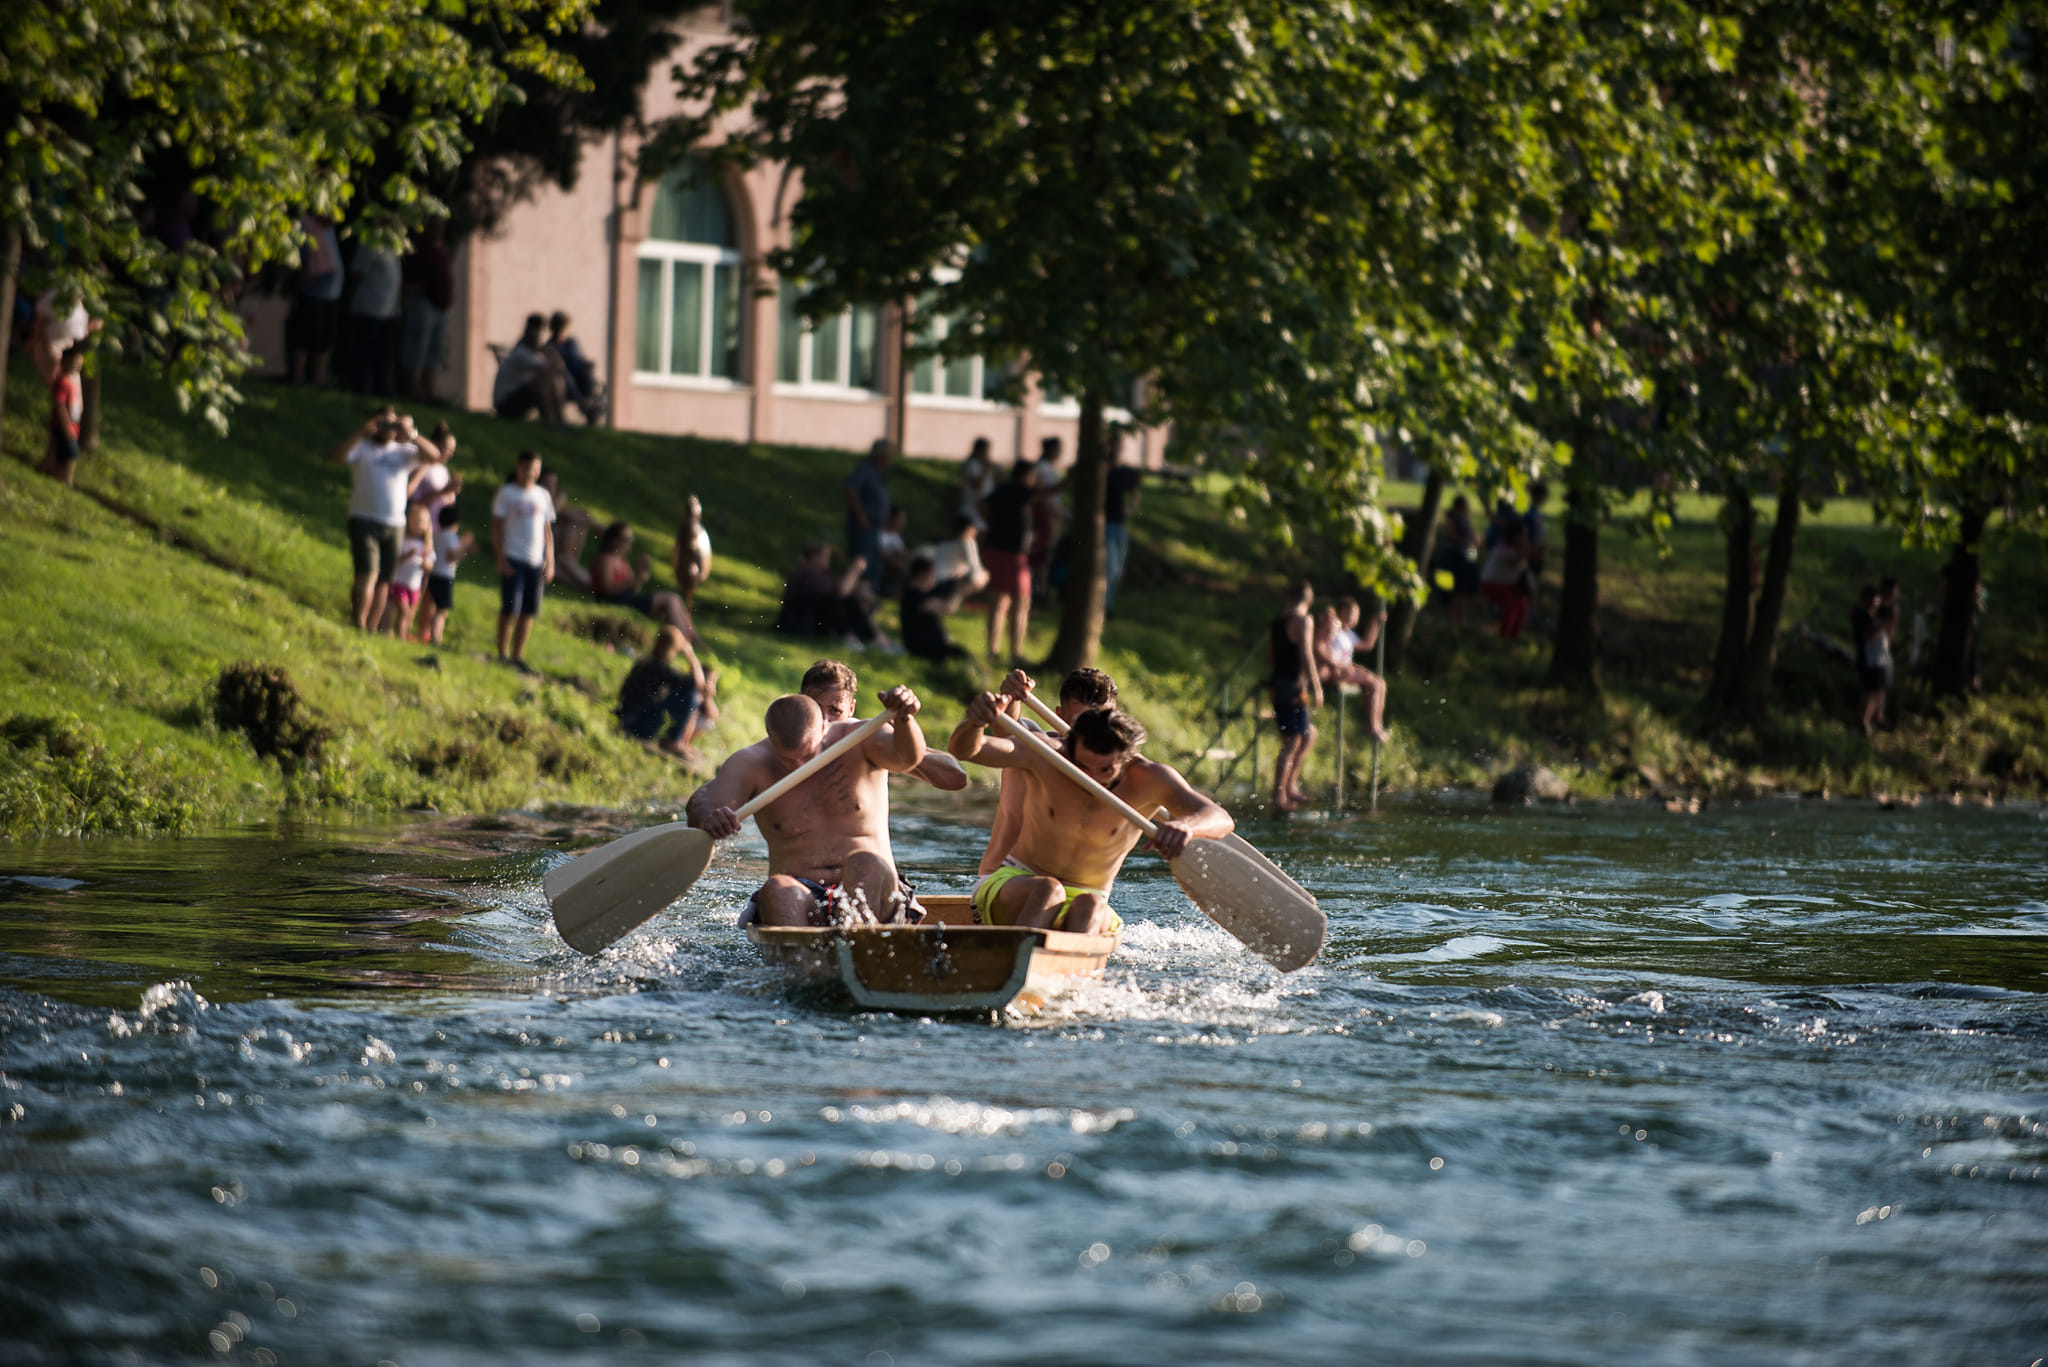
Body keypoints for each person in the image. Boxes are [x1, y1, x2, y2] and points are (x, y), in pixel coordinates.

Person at [948, 687, 1235, 937]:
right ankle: (1015, 968)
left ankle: (1069, 986)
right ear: (1071, 748)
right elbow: (967, 751)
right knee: (1048, 890)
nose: (1093, 780)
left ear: (1126, 760)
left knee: (1092, 905)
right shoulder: (1046, 754)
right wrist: (973, 724)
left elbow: (1220, 818)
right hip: (1015, 884)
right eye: (1083, 767)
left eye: (1106, 770)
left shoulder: (1150, 779)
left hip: (1090, 896)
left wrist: (1188, 826)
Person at [686, 686, 930, 927]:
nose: (800, 766)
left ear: (825, 727)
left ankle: (859, 950)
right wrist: (710, 816)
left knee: (866, 863)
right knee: (777, 889)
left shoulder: (861, 738)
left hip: (875, 893)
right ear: (772, 740)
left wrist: (905, 720)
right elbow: (705, 801)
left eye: (807, 754)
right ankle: (802, 962)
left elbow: (909, 758)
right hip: (803, 898)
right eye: (788, 759)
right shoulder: (752, 761)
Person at [978, 666, 1118, 876]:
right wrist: (1013, 697)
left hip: (1068, 888)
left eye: (1102, 722)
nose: (1093, 734)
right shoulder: (1034, 746)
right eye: (1084, 722)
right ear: (1059, 715)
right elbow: (1008, 730)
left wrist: (1184, 824)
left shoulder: (1115, 765)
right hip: (1003, 877)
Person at [329, 408, 448, 631]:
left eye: (392, 424)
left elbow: (435, 456)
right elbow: (336, 456)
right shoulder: (362, 447)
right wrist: (361, 432)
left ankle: (371, 628)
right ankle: (358, 623)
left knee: (385, 580)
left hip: (394, 524)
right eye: (383, 423)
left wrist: (411, 433)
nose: (388, 429)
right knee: (368, 573)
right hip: (363, 519)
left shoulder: (404, 451)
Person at [801, 659, 966, 792]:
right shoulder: (781, 739)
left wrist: (904, 723)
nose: (824, 721)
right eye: (815, 708)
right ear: (801, 703)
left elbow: (956, 778)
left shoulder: (867, 741)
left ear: (851, 709)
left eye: (835, 711)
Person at [493, 449, 556, 673]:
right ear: (519, 468)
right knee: (510, 608)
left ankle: (518, 656)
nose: (531, 473)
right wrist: (500, 557)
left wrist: (550, 560)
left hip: (535, 561)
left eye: (536, 469)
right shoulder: (508, 493)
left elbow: (547, 530)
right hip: (513, 557)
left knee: (529, 611)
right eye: (528, 468)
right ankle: (502, 652)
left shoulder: (543, 496)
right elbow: (497, 527)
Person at [618, 625, 710, 762]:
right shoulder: (660, 668)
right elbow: (698, 684)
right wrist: (691, 656)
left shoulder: (646, 662)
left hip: (628, 720)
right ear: (672, 649)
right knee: (689, 694)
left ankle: (677, 740)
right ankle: (673, 742)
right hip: (638, 727)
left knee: (681, 692)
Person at [1269, 580, 1323, 811]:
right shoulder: (1304, 621)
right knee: (1293, 741)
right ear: (1309, 601)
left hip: (1277, 683)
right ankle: (1279, 794)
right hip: (1294, 686)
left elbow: (1269, 656)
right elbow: (1306, 655)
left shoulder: (1278, 622)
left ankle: (1288, 788)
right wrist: (1316, 686)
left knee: (1306, 735)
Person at [776, 541, 888, 650]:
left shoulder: (817, 574)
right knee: (838, 602)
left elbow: (843, 589)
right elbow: (840, 592)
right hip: (798, 625)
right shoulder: (806, 573)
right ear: (814, 557)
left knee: (848, 602)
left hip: (810, 622)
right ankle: (854, 637)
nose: (828, 560)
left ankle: (874, 638)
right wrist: (855, 570)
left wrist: (865, 595)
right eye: (825, 556)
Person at [589, 521, 693, 637]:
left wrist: (641, 576)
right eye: (626, 539)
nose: (630, 543)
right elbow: (606, 590)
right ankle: (683, 638)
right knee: (671, 599)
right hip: (615, 600)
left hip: (627, 599)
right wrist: (635, 579)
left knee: (677, 601)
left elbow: (634, 589)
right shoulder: (606, 560)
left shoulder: (623, 562)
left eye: (630, 539)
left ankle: (691, 637)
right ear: (613, 540)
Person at [983, 457, 1037, 664]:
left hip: (996, 550)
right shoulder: (1020, 492)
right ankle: (1015, 652)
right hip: (1012, 555)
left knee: (998, 601)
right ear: (1025, 475)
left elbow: (983, 505)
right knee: (1020, 602)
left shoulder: (1001, 491)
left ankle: (993, 650)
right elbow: (1045, 493)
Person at [1316, 597, 1390, 745]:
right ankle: (1372, 726)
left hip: (1346, 669)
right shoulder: (1333, 627)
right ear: (1341, 613)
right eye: (1349, 613)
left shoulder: (1348, 633)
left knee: (1380, 683)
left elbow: (1367, 644)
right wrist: (1335, 665)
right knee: (1374, 685)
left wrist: (1375, 623)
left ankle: (1378, 723)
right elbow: (1321, 646)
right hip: (1336, 672)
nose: (1353, 618)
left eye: (1355, 614)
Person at [399, 219, 453, 402]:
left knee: (435, 350)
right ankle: (413, 389)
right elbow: (409, 272)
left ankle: (430, 391)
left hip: (441, 305)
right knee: (417, 347)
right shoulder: (419, 246)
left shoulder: (442, 247)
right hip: (423, 302)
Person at [286, 215, 344, 386]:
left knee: (325, 338)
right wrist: (303, 273)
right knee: (304, 335)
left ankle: (319, 379)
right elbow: (291, 253)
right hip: (312, 292)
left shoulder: (329, 229)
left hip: (332, 294)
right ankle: (298, 377)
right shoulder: (305, 225)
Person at [345, 238, 402, 396]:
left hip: (388, 311)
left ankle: (381, 389)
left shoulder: (395, 245)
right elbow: (357, 273)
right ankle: (359, 388)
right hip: (368, 309)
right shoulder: (369, 243)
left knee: (382, 356)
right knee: (363, 353)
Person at [493, 313, 567, 426]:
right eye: (540, 331)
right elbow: (549, 370)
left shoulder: (534, 353)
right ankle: (551, 422)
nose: (541, 337)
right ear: (532, 331)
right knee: (540, 382)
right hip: (505, 405)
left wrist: (550, 353)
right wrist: (550, 353)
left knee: (557, 380)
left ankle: (559, 420)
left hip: (514, 400)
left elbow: (559, 369)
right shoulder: (522, 352)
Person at [843, 439, 894, 594]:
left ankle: (869, 596)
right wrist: (862, 517)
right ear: (881, 455)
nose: (891, 459)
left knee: (874, 563)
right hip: (864, 526)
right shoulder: (865, 469)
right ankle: (861, 596)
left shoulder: (878, 474)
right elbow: (850, 490)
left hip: (874, 526)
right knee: (864, 563)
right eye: (889, 454)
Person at [899, 555, 971, 662]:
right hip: (922, 648)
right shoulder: (913, 595)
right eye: (932, 575)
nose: (934, 579)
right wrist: (960, 591)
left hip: (928, 646)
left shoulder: (917, 594)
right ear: (923, 574)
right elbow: (946, 608)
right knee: (963, 656)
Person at [383, 502, 436, 640]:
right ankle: (400, 639)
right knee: (403, 611)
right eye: (416, 521)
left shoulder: (426, 545)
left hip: (414, 586)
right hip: (399, 582)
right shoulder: (403, 540)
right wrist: (407, 555)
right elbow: (395, 560)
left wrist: (426, 563)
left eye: (422, 522)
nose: (419, 525)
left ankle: (403, 635)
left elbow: (430, 565)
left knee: (409, 614)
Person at [421, 504, 473, 646]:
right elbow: (452, 556)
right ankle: (436, 638)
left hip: (432, 574)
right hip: (444, 577)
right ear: (457, 523)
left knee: (430, 605)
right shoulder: (452, 537)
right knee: (442, 610)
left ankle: (424, 633)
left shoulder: (436, 535)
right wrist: (465, 547)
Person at [1104, 443, 1143, 613]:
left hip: (1119, 525)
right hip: (1106, 524)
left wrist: (1130, 508)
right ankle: (1104, 604)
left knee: (1118, 569)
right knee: (1111, 568)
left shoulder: (1123, 473)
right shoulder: (1103, 472)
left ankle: (1108, 604)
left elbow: (1135, 490)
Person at [37, 345, 84, 487]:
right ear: (64, 362)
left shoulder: (72, 381)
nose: (77, 367)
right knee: (71, 453)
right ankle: (66, 481)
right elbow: (60, 405)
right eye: (74, 363)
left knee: (60, 452)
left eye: (79, 364)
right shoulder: (63, 382)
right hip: (64, 424)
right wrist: (66, 426)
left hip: (72, 424)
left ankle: (55, 475)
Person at [546, 311, 605, 424]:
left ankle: (588, 407)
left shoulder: (571, 342)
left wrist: (587, 365)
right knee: (565, 376)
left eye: (563, 329)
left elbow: (578, 360)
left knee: (587, 375)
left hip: (578, 378)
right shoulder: (550, 346)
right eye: (559, 329)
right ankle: (587, 408)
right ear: (553, 329)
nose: (561, 333)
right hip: (561, 381)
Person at [1432, 494, 1480, 627]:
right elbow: (1451, 534)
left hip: (1467, 558)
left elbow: (1472, 537)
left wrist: (1474, 542)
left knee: (1463, 591)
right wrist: (1466, 542)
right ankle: (1452, 621)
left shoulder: (1464, 520)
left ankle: (1461, 620)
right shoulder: (1452, 519)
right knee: (1454, 591)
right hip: (1455, 559)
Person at [1479, 520, 1531, 640]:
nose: (1524, 537)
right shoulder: (1502, 547)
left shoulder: (1518, 548)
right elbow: (1513, 561)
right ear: (1514, 535)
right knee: (1512, 606)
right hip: (1492, 583)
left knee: (1522, 606)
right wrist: (1529, 553)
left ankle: (1513, 637)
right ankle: (1504, 636)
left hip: (1507, 585)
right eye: (1522, 534)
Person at [1852, 584, 1891, 737]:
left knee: (1877, 691)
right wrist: (1884, 624)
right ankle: (1862, 721)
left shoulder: (1873, 616)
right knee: (1868, 691)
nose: (1875, 605)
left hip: (1878, 659)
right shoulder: (1861, 615)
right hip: (1868, 659)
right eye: (1873, 601)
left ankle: (1872, 719)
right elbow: (1870, 633)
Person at [1028, 436, 1065, 589]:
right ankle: (1037, 585)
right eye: (1057, 448)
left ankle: (1042, 584)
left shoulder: (1050, 467)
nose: (1060, 452)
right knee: (1043, 550)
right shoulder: (1042, 468)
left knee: (1048, 551)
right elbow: (1044, 494)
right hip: (1045, 515)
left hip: (1052, 514)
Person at [925, 513, 988, 599]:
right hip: (945, 584)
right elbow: (975, 568)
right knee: (983, 575)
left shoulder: (944, 543)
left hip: (931, 581)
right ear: (969, 529)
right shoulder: (967, 543)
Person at [407, 420, 462, 521]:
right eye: (447, 449)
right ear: (434, 445)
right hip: (423, 523)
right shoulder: (422, 467)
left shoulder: (443, 470)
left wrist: (454, 489)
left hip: (439, 526)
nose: (450, 455)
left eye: (452, 451)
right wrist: (443, 492)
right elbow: (414, 503)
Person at [672, 494, 712, 612]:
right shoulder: (684, 532)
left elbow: (701, 553)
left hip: (695, 566)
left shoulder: (698, 532)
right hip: (686, 565)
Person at [959, 436, 996, 530]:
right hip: (973, 507)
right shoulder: (972, 464)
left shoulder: (980, 465)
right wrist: (985, 468)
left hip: (982, 507)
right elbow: (978, 485)